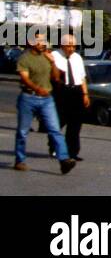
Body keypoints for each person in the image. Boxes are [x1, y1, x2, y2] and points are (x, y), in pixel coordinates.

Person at [13, 30, 76, 174]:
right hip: (28, 98)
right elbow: (25, 78)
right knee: (22, 131)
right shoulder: (24, 59)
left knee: (55, 130)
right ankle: (20, 160)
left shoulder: (47, 57)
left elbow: (56, 77)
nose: (42, 43)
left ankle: (64, 160)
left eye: (44, 40)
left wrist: (53, 62)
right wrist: (37, 88)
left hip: (47, 99)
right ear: (31, 42)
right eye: (39, 41)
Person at [49, 34, 90, 162]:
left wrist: (85, 94)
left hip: (76, 91)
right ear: (62, 45)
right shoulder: (54, 56)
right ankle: (54, 146)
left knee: (75, 123)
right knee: (59, 121)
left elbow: (82, 77)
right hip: (61, 91)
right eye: (69, 46)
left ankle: (72, 152)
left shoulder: (77, 58)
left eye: (73, 46)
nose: (71, 48)